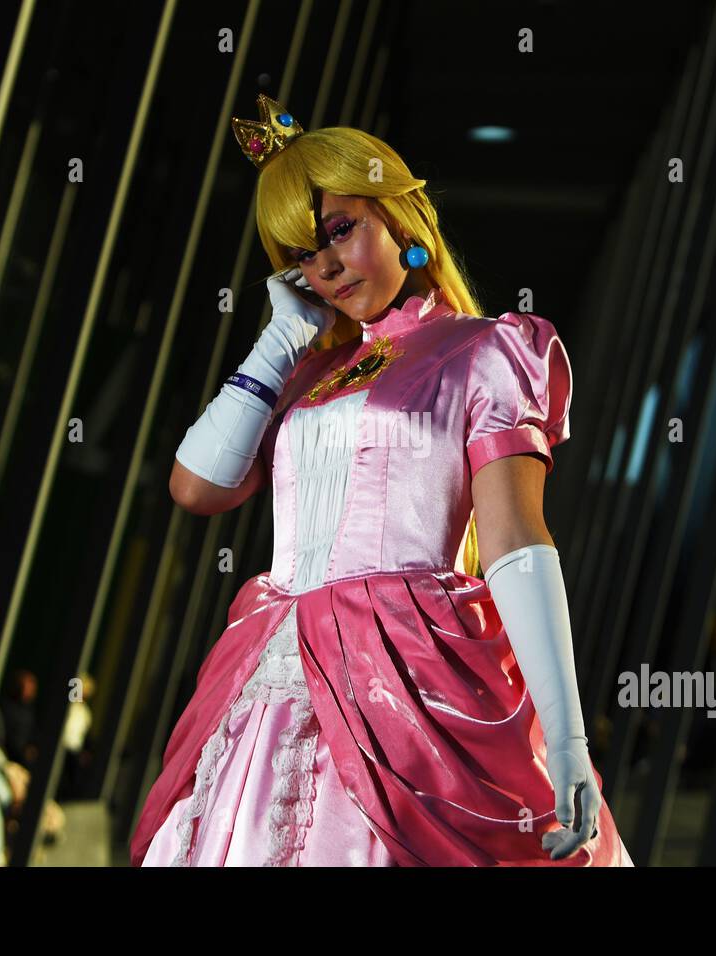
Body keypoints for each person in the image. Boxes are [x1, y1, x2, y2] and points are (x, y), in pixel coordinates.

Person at [129, 95, 632, 867]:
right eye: (300, 253)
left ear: (400, 218)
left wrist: (565, 740)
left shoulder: (487, 350)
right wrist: (279, 339)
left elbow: (515, 542)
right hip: (271, 675)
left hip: (414, 679)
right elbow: (197, 489)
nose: (324, 265)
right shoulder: (309, 374)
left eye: (340, 231)